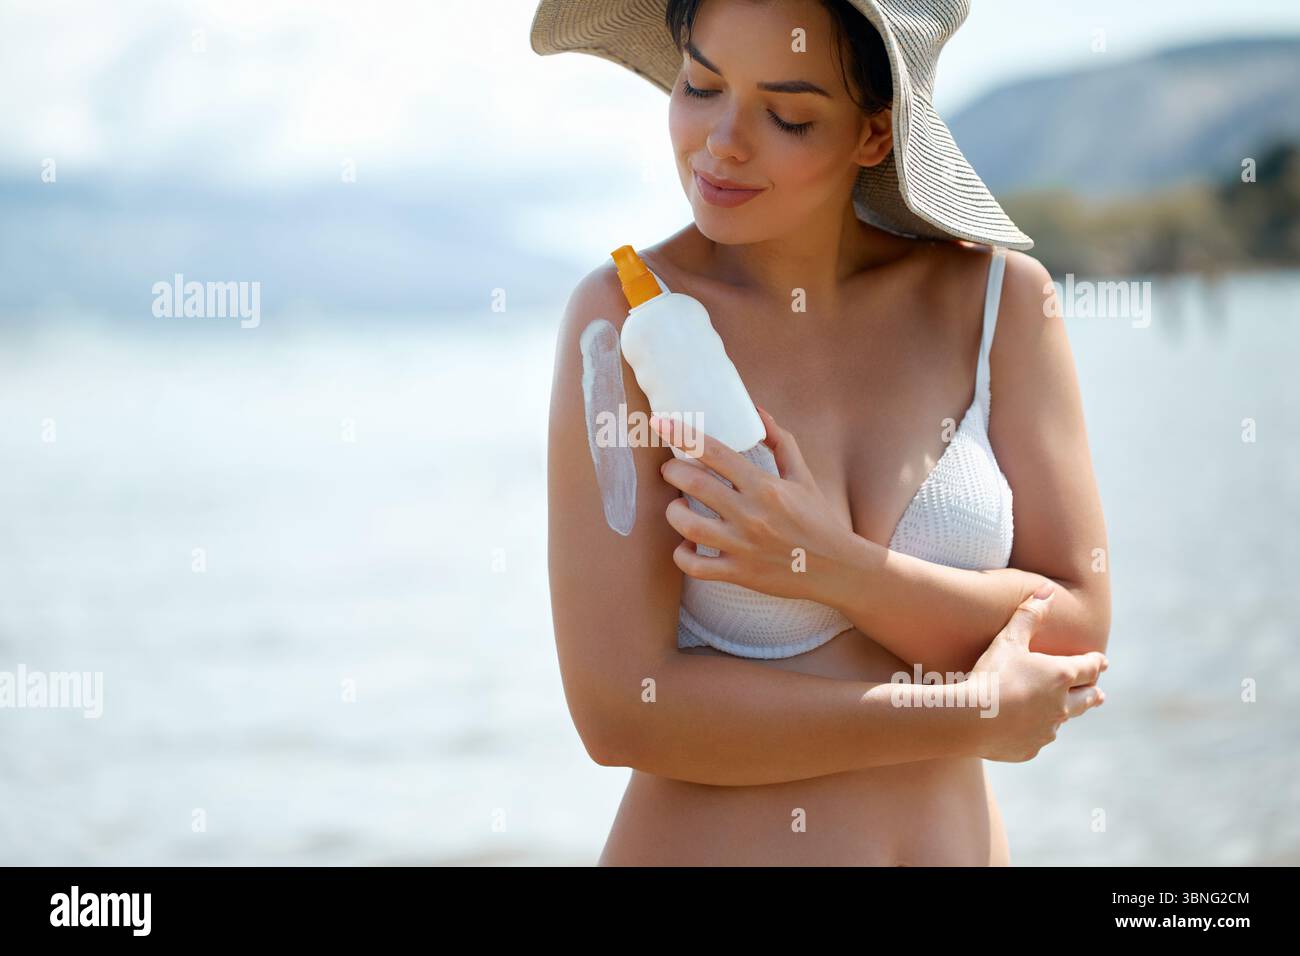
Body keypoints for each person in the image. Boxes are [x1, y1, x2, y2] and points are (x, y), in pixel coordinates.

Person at [538, 0, 1111, 865]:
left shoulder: (1000, 306)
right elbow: (623, 709)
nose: (722, 142)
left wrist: (836, 567)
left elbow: (1075, 630)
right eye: (700, 85)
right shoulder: (625, 320)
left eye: (788, 114)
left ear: (875, 135)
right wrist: (963, 711)